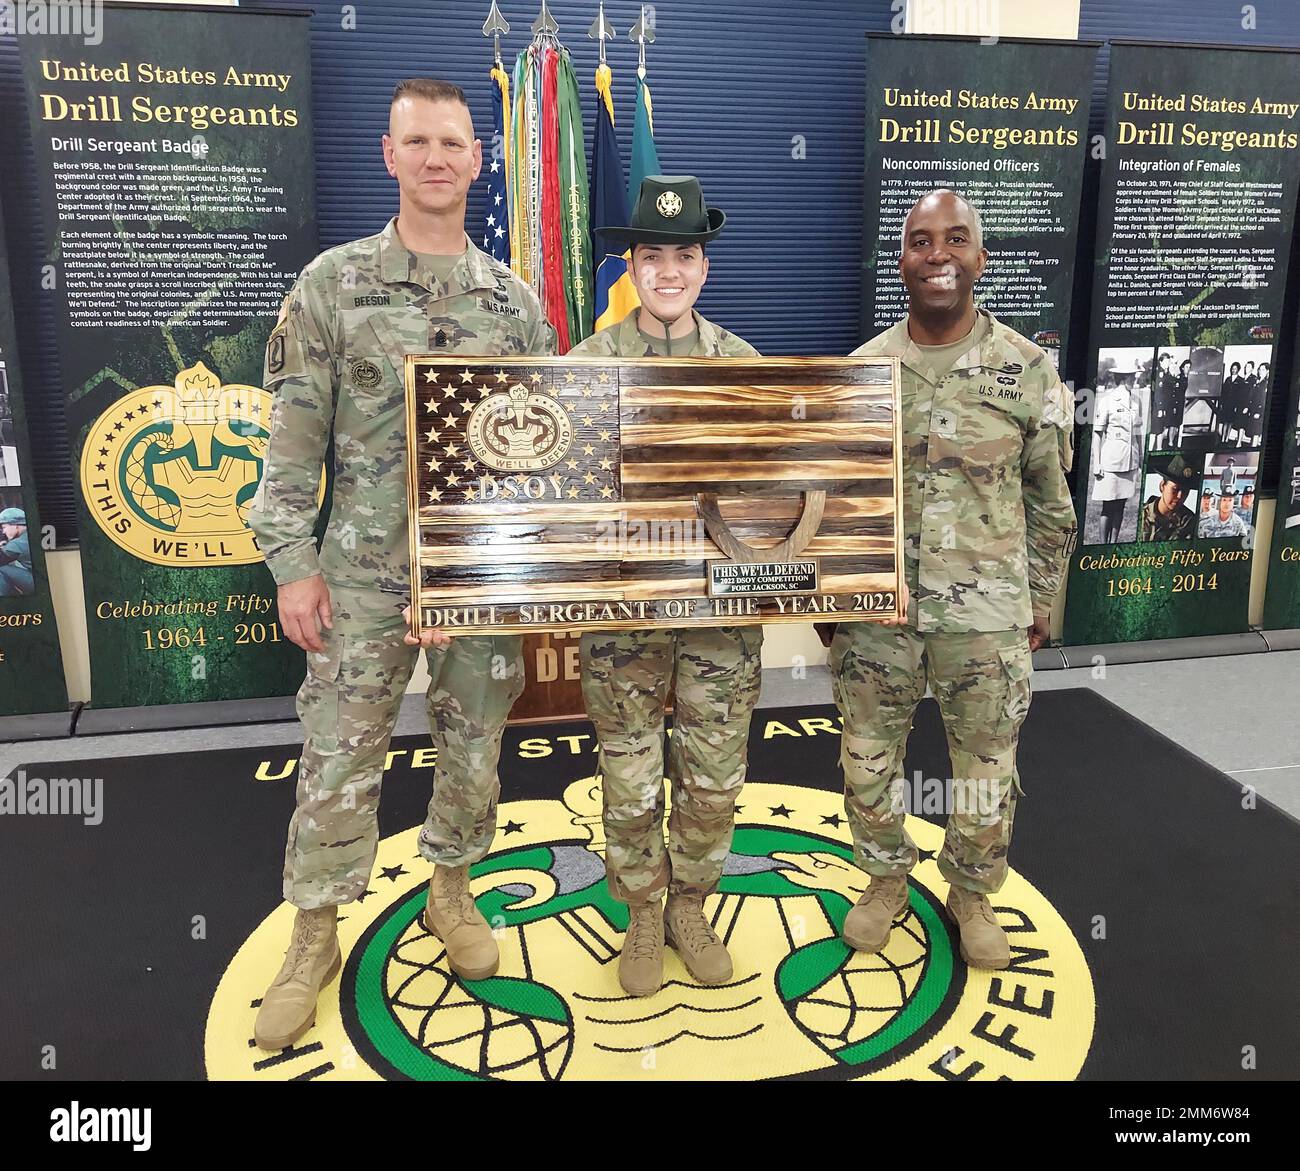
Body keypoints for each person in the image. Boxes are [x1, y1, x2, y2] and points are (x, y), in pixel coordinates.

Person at [247, 78, 554, 1051]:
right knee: (340, 756)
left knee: (473, 747)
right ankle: (313, 933)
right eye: (415, 140)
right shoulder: (331, 287)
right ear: (389, 155)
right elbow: (292, 451)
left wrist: (534, 572)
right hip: (360, 580)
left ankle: (453, 892)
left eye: (451, 142)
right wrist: (294, 564)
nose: (434, 157)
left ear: (478, 160)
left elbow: (548, 455)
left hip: (478, 581)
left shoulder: (513, 305)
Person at [832, 189, 1076, 970]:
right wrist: (830, 602)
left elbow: (1050, 500)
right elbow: (829, 502)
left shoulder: (1028, 371)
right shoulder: (863, 372)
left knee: (983, 769)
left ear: (981, 257)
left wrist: (1038, 598)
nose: (938, 254)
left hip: (988, 616)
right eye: (921, 242)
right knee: (868, 758)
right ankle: (884, 880)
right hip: (880, 612)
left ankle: (971, 891)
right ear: (900, 260)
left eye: (956, 239)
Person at [570, 176, 763, 997]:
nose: (671, 270)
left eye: (686, 255)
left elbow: (778, 494)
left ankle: (691, 901)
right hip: (624, 617)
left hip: (720, 616)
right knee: (629, 770)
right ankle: (643, 909)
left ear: (704, 267)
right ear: (632, 266)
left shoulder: (747, 366)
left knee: (714, 773)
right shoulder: (584, 366)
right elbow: (562, 494)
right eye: (655, 255)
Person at [1091, 357, 1145, 542]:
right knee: (1108, 505)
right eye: (1132, 377)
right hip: (1111, 460)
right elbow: (1097, 434)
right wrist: (1096, 463)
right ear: (1123, 377)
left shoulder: (1137, 402)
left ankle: (1113, 543)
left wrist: (1142, 457)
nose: (1134, 380)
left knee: (1121, 504)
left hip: (1130, 459)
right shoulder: (1108, 400)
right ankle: (1102, 545)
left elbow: (1138, 432)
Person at [1138, 455, 1198, 541]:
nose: (1179, 496)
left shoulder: (1190, 523)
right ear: (1162, 486)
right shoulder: (1140, 515)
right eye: (1175, 489)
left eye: (1185, 492)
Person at [0, 507, 33, 596]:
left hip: (37, 582)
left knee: (1, 569)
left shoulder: (18, 544)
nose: (3, 532)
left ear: (15, 525)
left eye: (4, 527)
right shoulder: (28, 535)